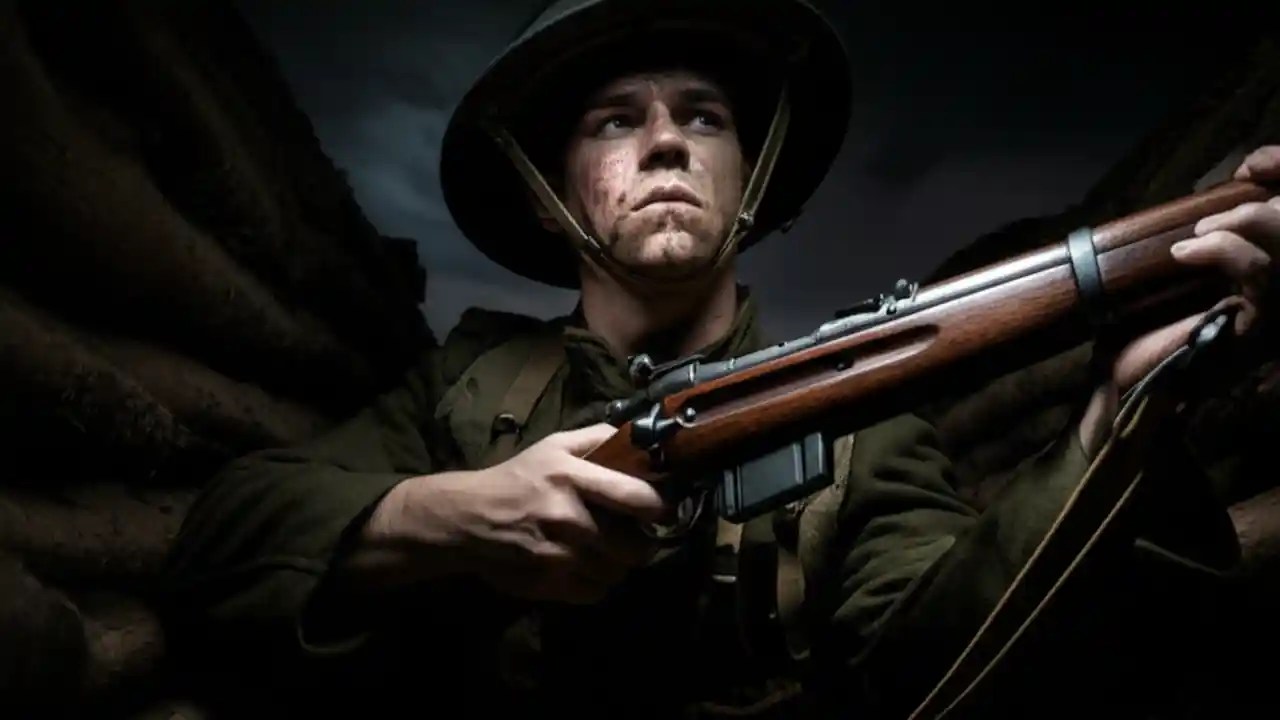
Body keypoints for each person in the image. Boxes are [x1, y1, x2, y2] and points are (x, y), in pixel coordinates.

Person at [159, 0, 1280, 717]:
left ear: (749, 172)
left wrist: (1113, 424)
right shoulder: (466, 385)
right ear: (549, 197)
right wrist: (450, 516)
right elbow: (223, 545)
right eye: (614, 121)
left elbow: (942, 663)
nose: (663, 141)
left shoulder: (864, 429)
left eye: (702, 118)